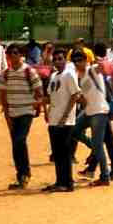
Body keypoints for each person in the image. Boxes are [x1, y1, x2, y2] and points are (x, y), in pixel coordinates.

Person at [0, 44, 43, 189]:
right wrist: (7, 116)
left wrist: (37, 106)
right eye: (9, 53)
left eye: (15, 52)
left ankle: (25, 173)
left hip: (26, 112)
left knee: (19, 141)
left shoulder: (29, 71)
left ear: (21, 54)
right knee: (16, 145)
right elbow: (3, 98)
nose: (12, 55)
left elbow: (39, 91)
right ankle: (21, 176)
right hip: (12, 113)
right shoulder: (5, 74)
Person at [77, 43, 113, 180]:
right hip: (103, 106)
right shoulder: (110, 64)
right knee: (106, 139)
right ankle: (107, 169)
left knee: (105, 140)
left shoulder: (96, 67)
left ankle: (109, 171)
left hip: (101, 107)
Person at [70, 50, 112, 187]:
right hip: (88, 111)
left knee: (98, 144)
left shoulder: (92, 70)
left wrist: (101, 61)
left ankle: (105, 176)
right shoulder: (78, 76)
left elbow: (104, 67)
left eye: (80, 60)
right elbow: (84, 98)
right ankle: (94, 148)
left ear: (86, 60)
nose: (77, 63)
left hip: (99, 111)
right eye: (75, 60)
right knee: (74, 131)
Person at [43, 48, 81, 192]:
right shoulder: (53, 76)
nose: (58, 61)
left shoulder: (69, 74)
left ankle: (67, 183)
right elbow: (50, 96)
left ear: (65, 60)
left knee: (65, 153)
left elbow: (75, 95)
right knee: (57, 153)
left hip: (65, 121)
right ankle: (60, 181)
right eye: (56, 59)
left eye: (60, 58)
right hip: (53, 119)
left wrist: (65, 115)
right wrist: (46, 111)